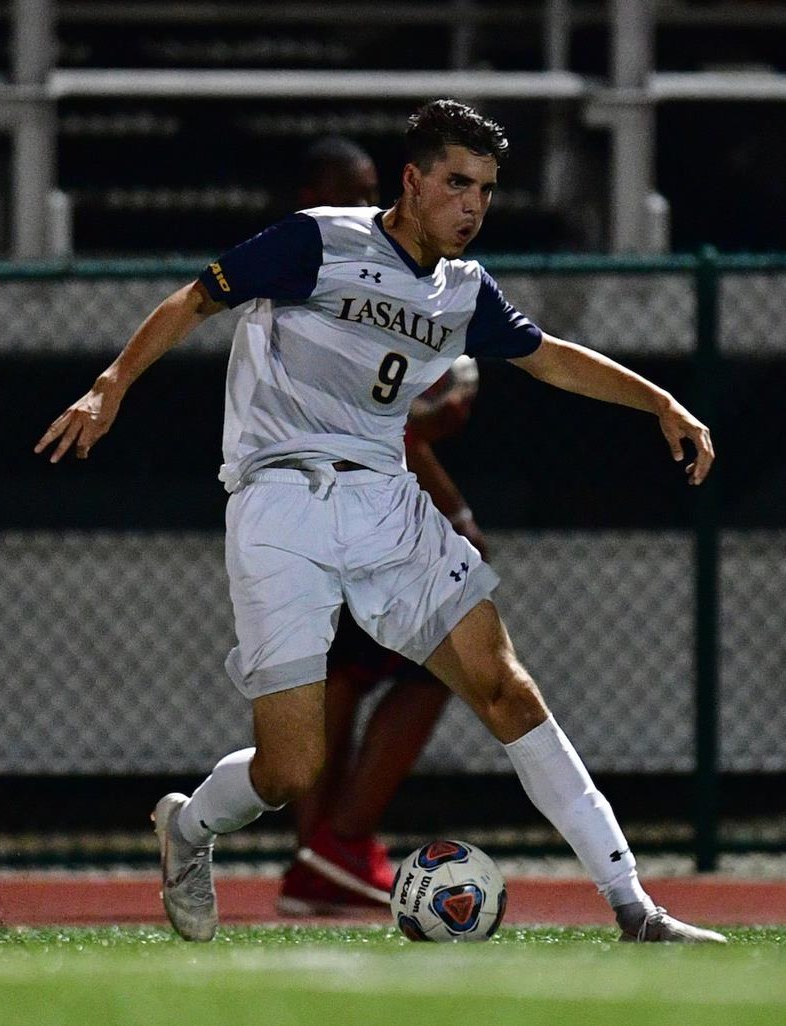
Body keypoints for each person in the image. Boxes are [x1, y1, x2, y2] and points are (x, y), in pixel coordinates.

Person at [37, 98, 723, 943]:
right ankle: (189, 829)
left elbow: (549, 357)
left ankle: (634, 906)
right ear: (413, 180)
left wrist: (660, 402)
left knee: (507, 687)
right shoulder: (317, 241)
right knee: (292, 770)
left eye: (487, 190)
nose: (474, 206)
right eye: (458, 184)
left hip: (387, 505)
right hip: (278, 500)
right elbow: (196, 300)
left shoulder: (465, 291)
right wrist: (112, 384)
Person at [274, 135, 485, 915]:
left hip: (330, 511)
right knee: (434, 662)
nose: (371, 205)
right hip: (327, 512)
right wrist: (443, 470)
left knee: (335, 680)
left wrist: (448, 499)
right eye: (353, 189)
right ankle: (338, 845)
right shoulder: (315, 279)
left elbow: (382, 426)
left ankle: (319, 861)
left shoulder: (337, 273)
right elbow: (363, 426)